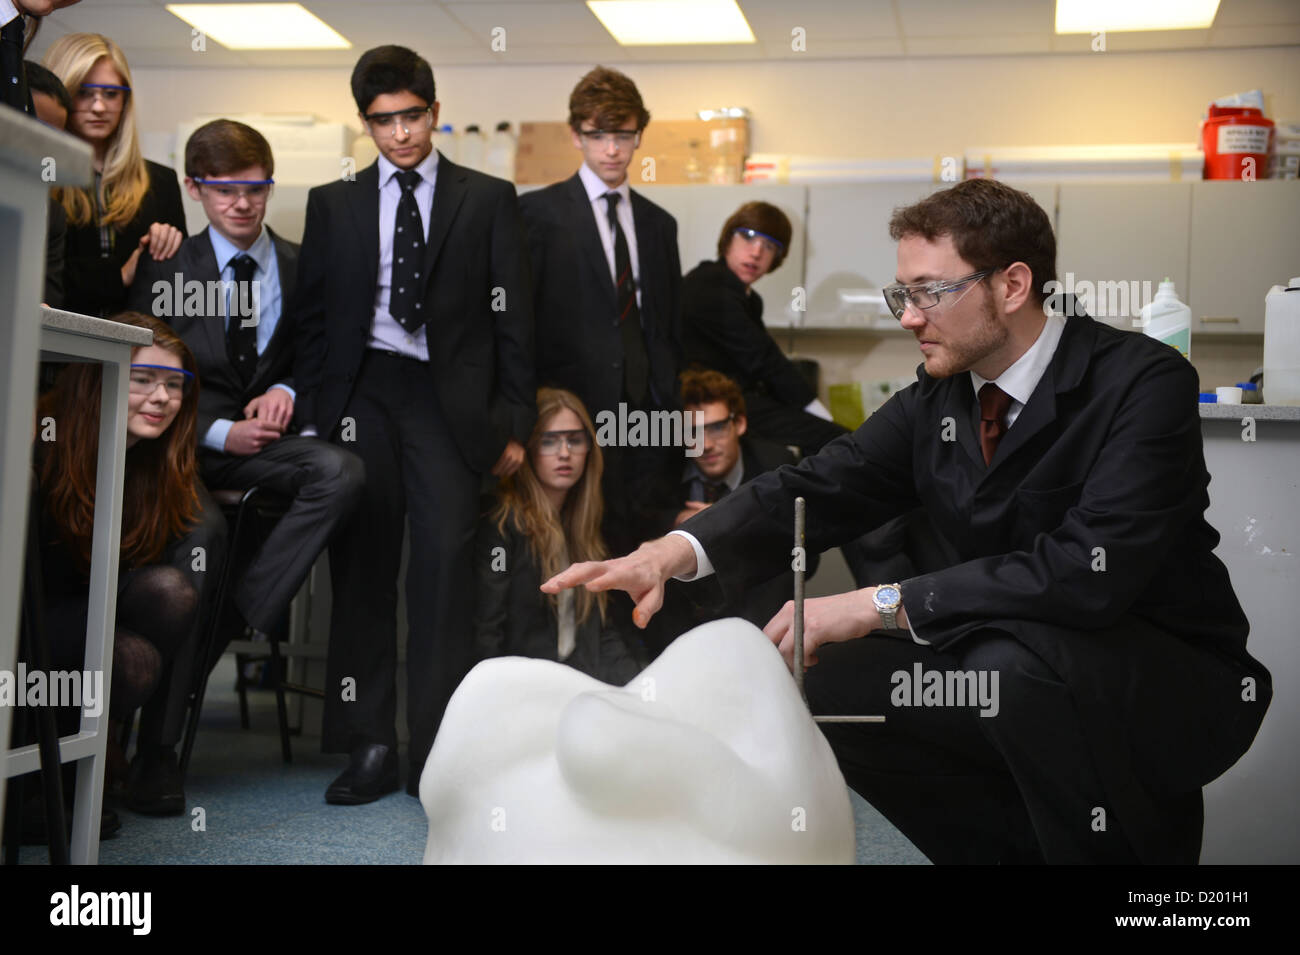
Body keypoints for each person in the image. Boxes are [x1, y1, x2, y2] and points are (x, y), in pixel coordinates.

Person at [543, 178, 1273, 864]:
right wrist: (673, 550)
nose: (908, 316)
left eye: (930, 292)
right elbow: (817, 484)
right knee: (830, 683)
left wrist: (880, 603)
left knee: (1002, 671)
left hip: (1160, 676)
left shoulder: (1140, 382)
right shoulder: (939, 397)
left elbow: (1087, 571)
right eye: (903, 292)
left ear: (1012, 285)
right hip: (1005, 659)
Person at [291, 45, 535, 804]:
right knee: (364, 568)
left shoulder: (490, 197)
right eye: (382, 120)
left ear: (433, 110)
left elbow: (516, 320)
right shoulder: (334, 202)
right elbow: (314, 321)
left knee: (441, 569)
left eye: (411, 116)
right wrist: (316, 412)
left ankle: (435, 748)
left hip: (448, 398)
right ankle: (369, 746)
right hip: (364, 391)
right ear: (366, 123)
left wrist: (515, 422)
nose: (399, 133)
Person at [128, 118, 363, 668]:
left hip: (263, 450)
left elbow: (323, 359)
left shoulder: (303, 265)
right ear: (194, 189)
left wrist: (287, 386)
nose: (241, 204)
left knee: (342, 472)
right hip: (179, 451)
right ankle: (161, 747)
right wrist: (218, 431)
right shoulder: (166, 266)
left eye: (255, 189)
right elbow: (142, 371)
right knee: (203, 539)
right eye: (225, 190)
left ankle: (237, 615)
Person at [34, 312, 224, 818]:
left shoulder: (159, 464)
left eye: (174, 385)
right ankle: (44, 775)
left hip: (92, 620)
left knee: (161, 608)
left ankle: (85, 763)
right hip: (26, 626)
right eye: (143, 380)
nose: (161, 398)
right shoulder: (44, 436)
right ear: (101, 378)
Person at [520, 65, 683, 558]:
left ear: (639, 136)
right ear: (577, 135)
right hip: (573, 410)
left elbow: (668, 325)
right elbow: (520, 322)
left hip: (649, 415)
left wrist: (669, 404)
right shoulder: (538, 215)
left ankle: (638, 638)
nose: (611, 149)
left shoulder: (659, 224)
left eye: (623, 135)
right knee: (574, 543)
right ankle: (586, 638)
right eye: (598, 135)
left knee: (642, 542)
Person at [475, 388, 639, 684]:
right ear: (528, 448)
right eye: (549, 441)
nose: (565, 452)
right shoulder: (502, 523)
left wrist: (639, 689)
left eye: (574, 440)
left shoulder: (583, 525)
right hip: (521, 693)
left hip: (578, 685)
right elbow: (487, 631)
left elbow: (600, 632)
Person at [650, 368, 813, 654]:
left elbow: (808, 555)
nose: (706, 445)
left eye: (716, 428)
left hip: (754, 620)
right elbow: (634, 521)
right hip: (681, 625)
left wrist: (731, 527)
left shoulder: (775, 466)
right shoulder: (664, 469)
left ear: (739, 423)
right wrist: (676, 522)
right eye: (693, 432)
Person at [682, 201, 845, 456]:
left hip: (734, 404)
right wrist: (817, 409)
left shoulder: (748, 298)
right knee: (838, 441)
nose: (756, 252)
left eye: (769, 246)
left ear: (776, 259)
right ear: (728, 240)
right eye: (748, 237)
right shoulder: (709, 285)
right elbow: (763, 358)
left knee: (831, 442)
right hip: (707, 409)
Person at [43, 32, 186, 317]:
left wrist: (169, 244)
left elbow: (177, 291)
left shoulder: (161, 182)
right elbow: (41, 280)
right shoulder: (40, 178)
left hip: (139, 348)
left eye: (111, 94)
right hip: (57, 348)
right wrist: (121, 275)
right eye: (84, 92)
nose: (99, 107)